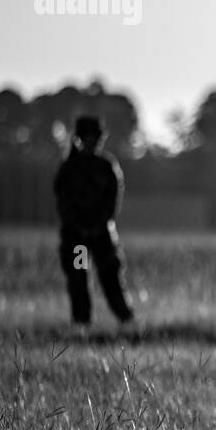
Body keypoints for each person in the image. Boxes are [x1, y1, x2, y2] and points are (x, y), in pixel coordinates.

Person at [54, 115, 136, 335]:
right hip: (77, 237)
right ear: (81, 139)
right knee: (79, 279)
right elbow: (63, 203)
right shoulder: (69, 168)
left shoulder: (106, 166)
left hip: (101, 235)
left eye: (95, 138)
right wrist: (81, 228)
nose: (92, 142)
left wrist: (98, 226)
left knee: (111, 278)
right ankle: (82, 325)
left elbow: (113, 202)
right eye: (89, 138)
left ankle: (126, 321)